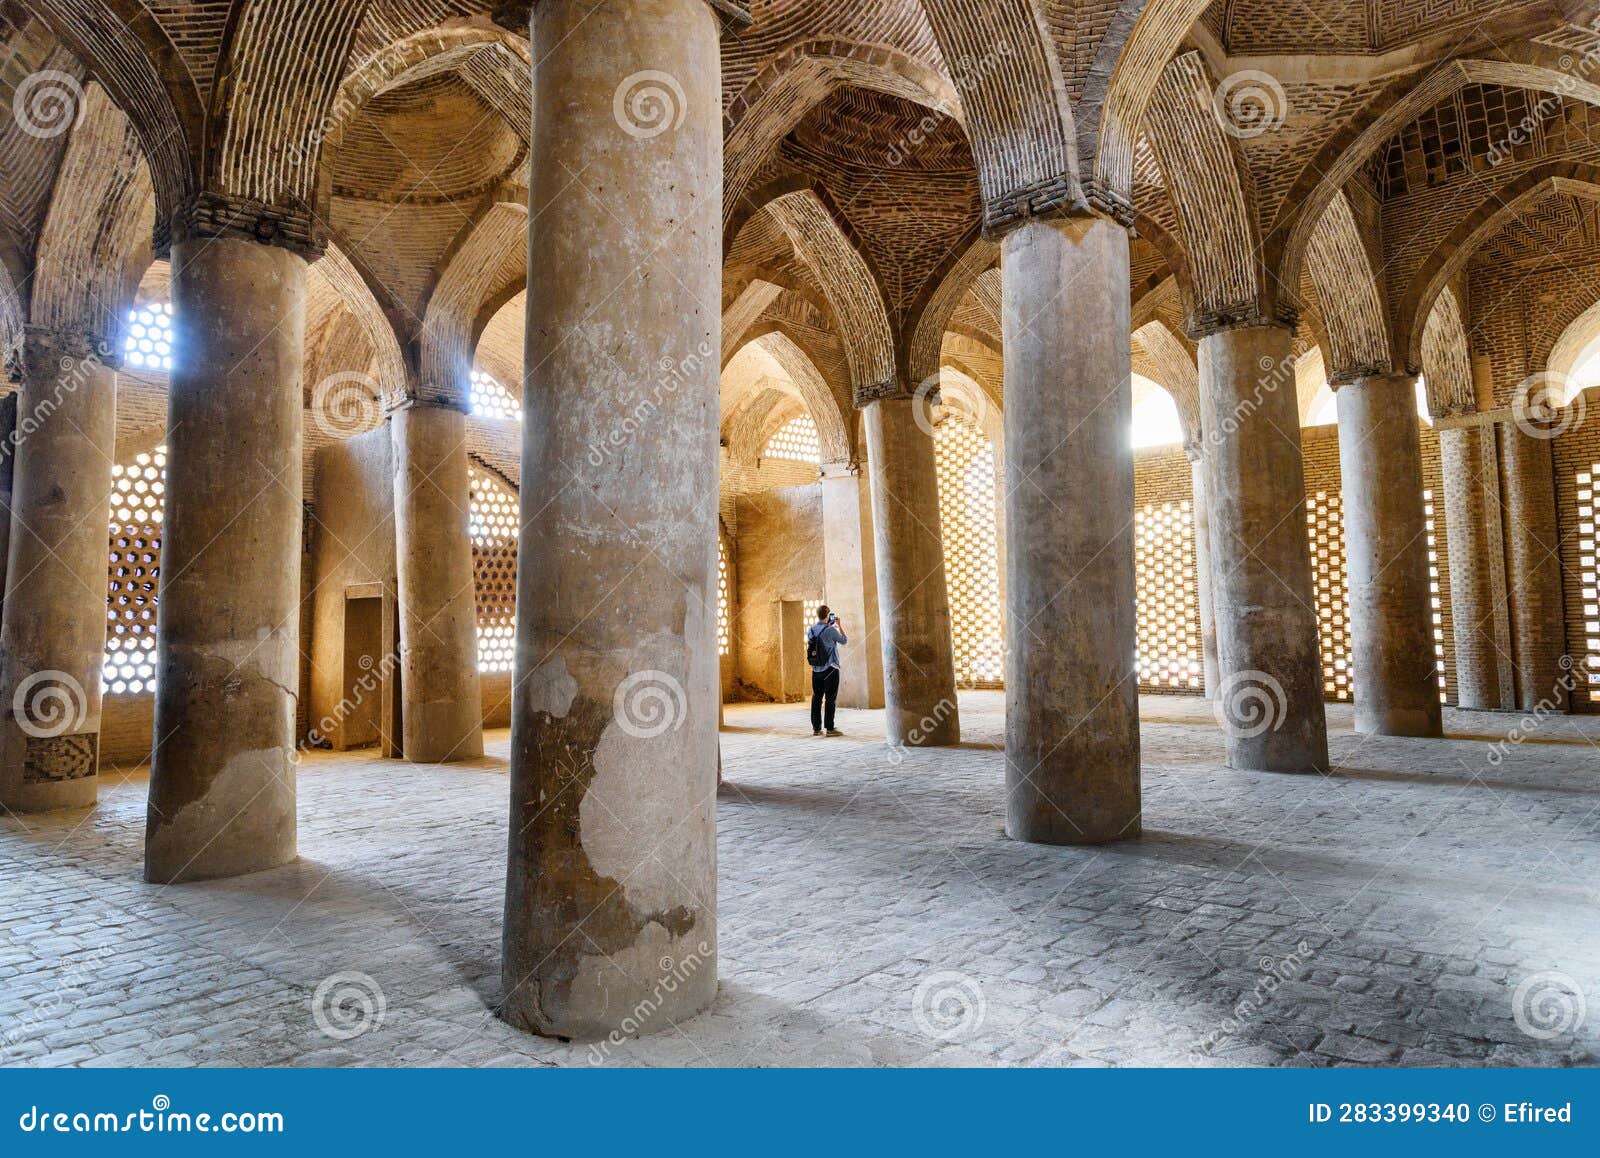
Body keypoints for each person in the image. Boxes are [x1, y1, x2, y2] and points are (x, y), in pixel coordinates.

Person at [805, 604, 847, 737]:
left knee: (816, 697)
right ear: (828, 616)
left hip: (816, 669)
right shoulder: (831, 630)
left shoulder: (811, 630)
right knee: (830, 698)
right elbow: (844, 640)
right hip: (830, 668)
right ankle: (830, 728)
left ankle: (816, 728)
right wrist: (839, 625)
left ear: (817, 615)